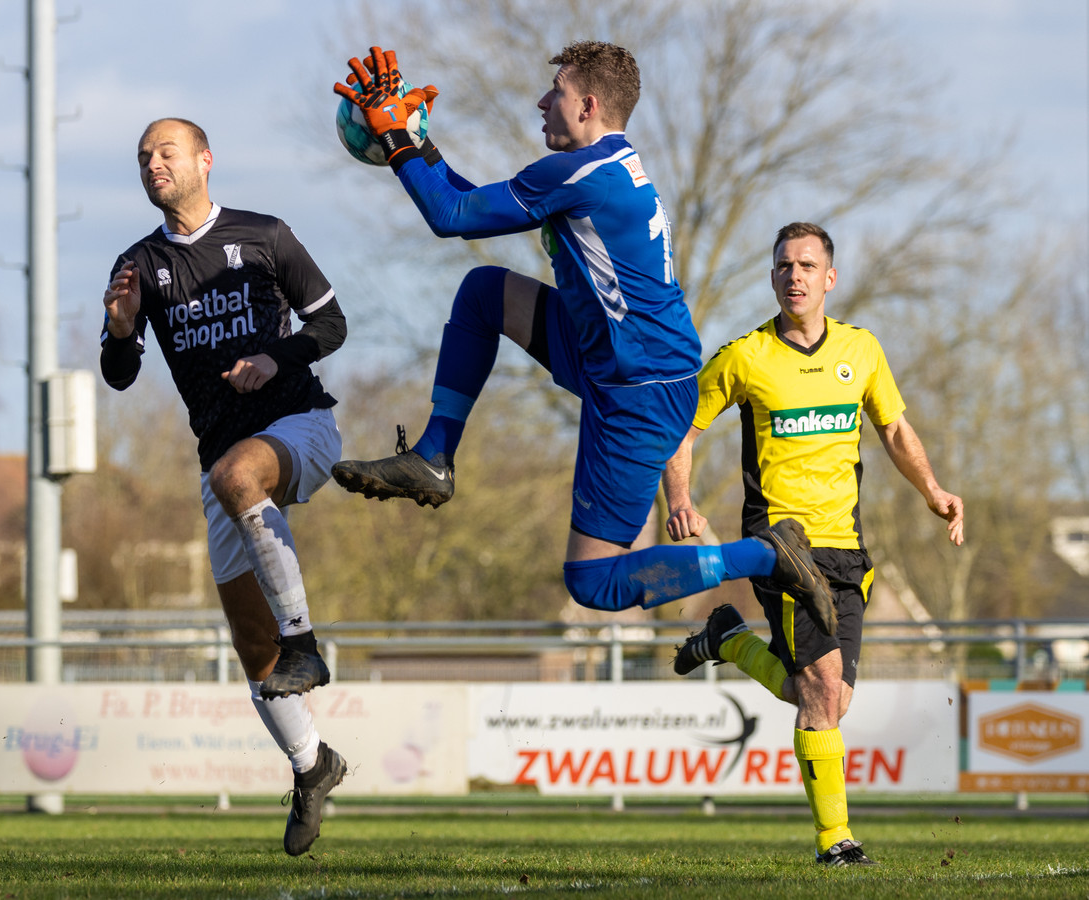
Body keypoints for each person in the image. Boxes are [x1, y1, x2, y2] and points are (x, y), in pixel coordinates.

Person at [330, 44, 836, 623]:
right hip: (613, 358)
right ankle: (434, 458)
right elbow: (469, 206)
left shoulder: (580, 175)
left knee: (592, 581)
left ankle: (766, 555)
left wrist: (398, 143)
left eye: (558, 93)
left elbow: (450, 217)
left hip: (636, 393)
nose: (542, 102)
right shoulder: (601, 167)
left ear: (589, 105)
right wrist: (418, 145)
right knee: (482, 294)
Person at [662, 221, 965, 867]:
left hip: (845, 548)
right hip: (779, 543)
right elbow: (680, 430)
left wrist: (932, 490)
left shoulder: (862, 349)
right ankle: (837, 844)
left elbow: (891, 427)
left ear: (828, 278)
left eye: (804, 265)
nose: (792, 276)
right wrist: (679, 501)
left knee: (829, 698)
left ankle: (727, 639)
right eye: (781, 266)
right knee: (822, 690)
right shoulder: (743, 357)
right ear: (770, 277)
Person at [99, 118, 348, 856]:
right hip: (219, 460)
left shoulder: (265, 235)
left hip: (298, 422)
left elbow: (331, 323)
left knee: (240, 473)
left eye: (166, 153)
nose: (154, 166)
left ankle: (306, 641)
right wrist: (118, 331)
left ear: (205, 161)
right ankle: (312, 766)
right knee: (252, 650)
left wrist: (275, 359)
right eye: (143, 158)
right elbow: (119, 375)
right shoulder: (137, 265)